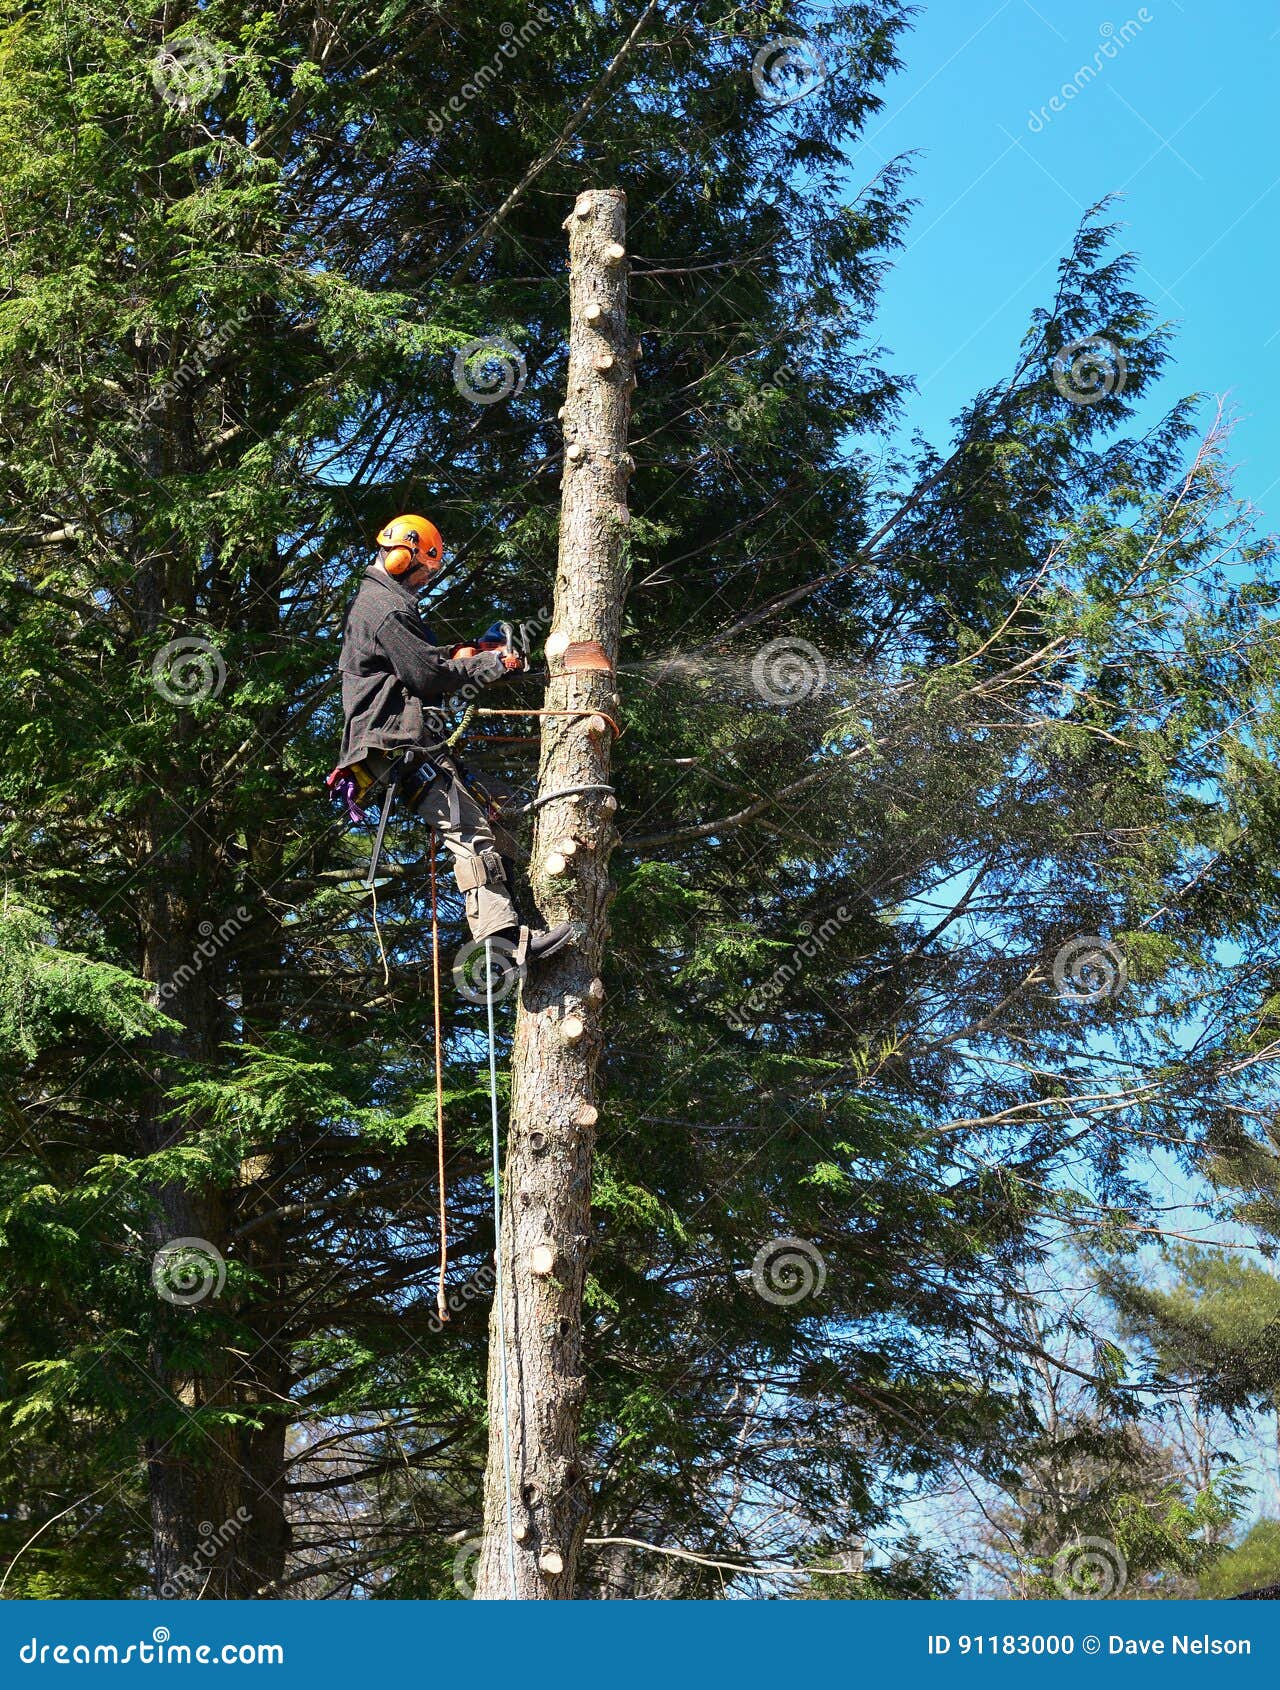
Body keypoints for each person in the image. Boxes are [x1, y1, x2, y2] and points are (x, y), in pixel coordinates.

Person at [333, 513, 570, 975]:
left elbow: (424, 663)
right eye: (424, 570)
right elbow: (427, 675)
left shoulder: (386, 603)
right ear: (402, 557)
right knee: (469, 832)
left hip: (410, 741)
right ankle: (502, 945)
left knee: (499, 811)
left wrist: (473, 654)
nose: (425, 580)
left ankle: (520, 915)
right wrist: (491, 664)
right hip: (397, 744)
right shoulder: (384, 607)